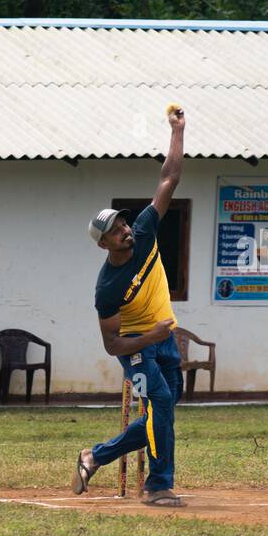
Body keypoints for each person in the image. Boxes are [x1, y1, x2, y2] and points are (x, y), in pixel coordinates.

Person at [74, 105, 186, 507]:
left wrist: (177, 130)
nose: (124, 231)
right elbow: (111, 346)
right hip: (136, 350)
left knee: (167, 408)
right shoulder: (107, 288)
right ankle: (158, 485)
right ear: (103, 245)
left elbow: (169, 177)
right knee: (159, 403)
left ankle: (94, 456)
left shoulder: (144, 228)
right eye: (115, 231)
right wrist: (148, 337)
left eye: (123, 224)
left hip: (163, 340)